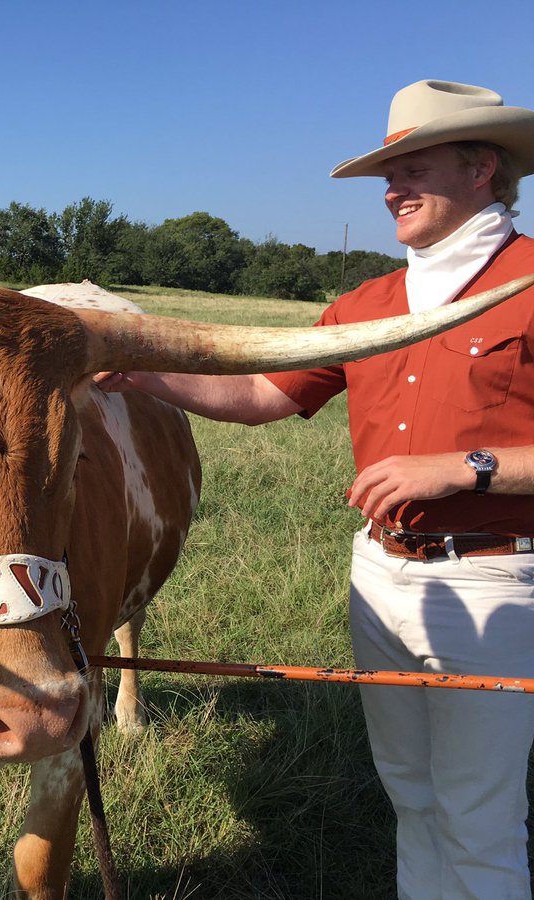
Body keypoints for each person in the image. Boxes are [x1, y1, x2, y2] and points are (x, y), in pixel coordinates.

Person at [98, 80, 534, 899]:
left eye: (412, 167)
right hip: (379, 573)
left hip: (496, 578)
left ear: (483, 169)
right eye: (386, 175)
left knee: (478, 815)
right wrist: (148, 374)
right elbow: (265, 395)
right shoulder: (370, 304)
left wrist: (466, 467)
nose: (392, 190)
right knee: (411, 796)